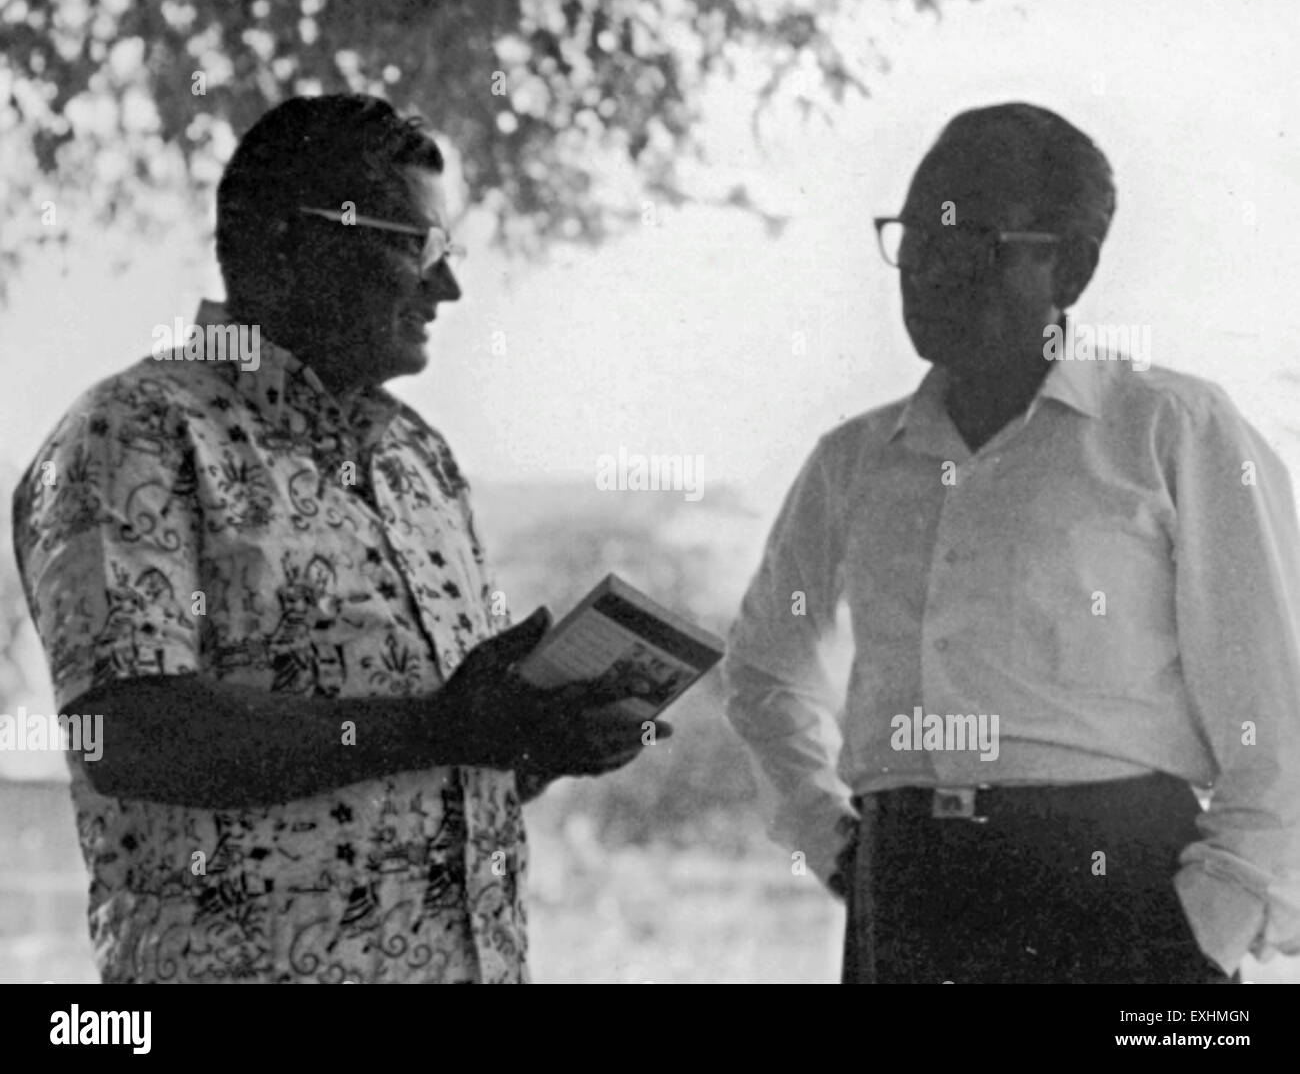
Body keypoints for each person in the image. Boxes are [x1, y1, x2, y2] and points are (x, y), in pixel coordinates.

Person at [11, 94, 660, 984]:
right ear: (287, 243)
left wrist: (530, 742)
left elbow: (427, 770)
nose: (447, 287)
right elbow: (128, 733)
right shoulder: (136, 433)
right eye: (415, 245)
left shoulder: (419, 460)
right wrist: (440, 727)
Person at [724, 102, 1300, 984]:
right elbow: (766, 666)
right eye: (913, 240)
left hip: (1128, 900)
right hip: (908, 897)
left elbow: (1279, 707)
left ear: (1070, 266)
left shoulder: (1172, 430)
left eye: (964, 244)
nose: (925, 271)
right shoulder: (854, 461)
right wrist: (833, 839)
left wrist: (1207, 926)